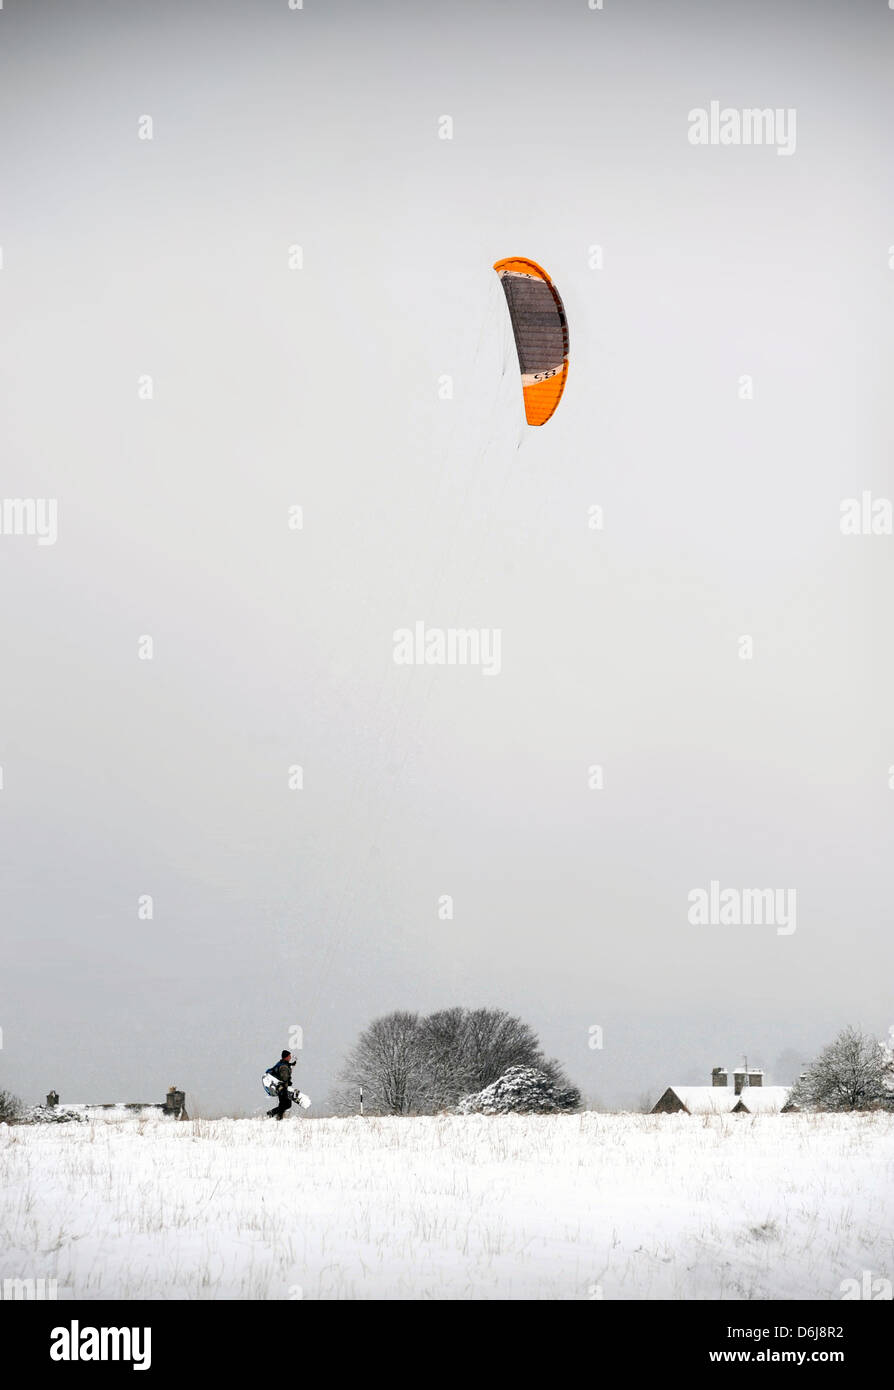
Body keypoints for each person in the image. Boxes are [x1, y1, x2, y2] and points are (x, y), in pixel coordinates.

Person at [266, 1050, 295, 1120]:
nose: (290, 1057)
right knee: (287, 1104)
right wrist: (288, 1082)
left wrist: (291, 1064)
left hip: (279, 1088)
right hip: (282, 1088)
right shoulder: (283, 1066)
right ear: (286, 1057)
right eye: (289, 1056)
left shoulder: (281, 1063)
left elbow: (285, 1067)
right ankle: (272, 1113)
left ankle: (279, 1118)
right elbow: (284, 1078)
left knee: (282, 1104)